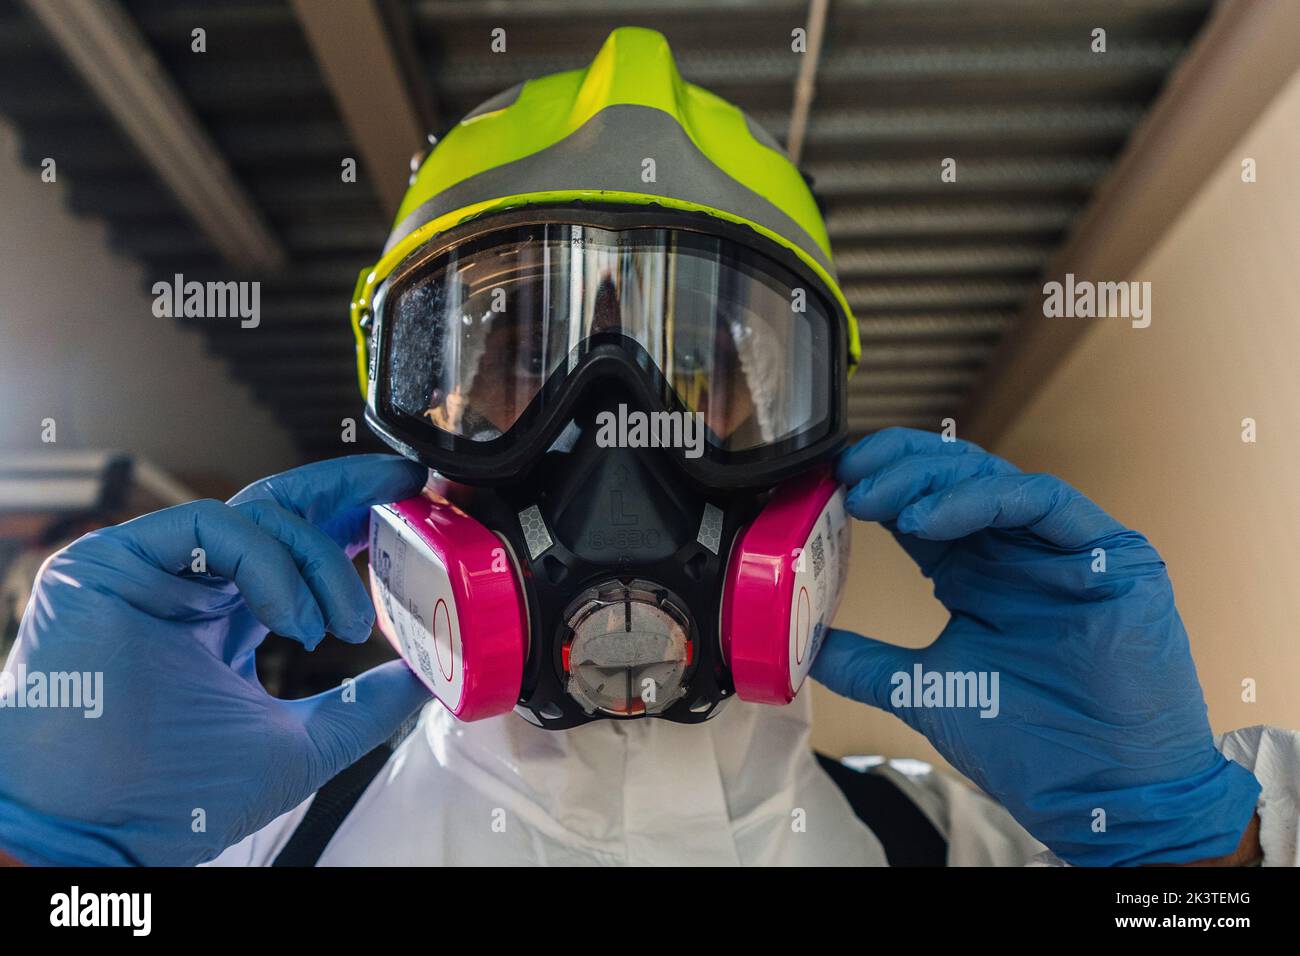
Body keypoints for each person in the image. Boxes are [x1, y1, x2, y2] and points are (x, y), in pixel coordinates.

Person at [1, 29, 1296, 868]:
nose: (608, 433)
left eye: (704, 370)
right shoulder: (224, 854)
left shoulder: (986, 847)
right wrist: (50, 864)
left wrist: (1192, 858)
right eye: (515, 364)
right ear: (415, 432)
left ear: (810, 436)